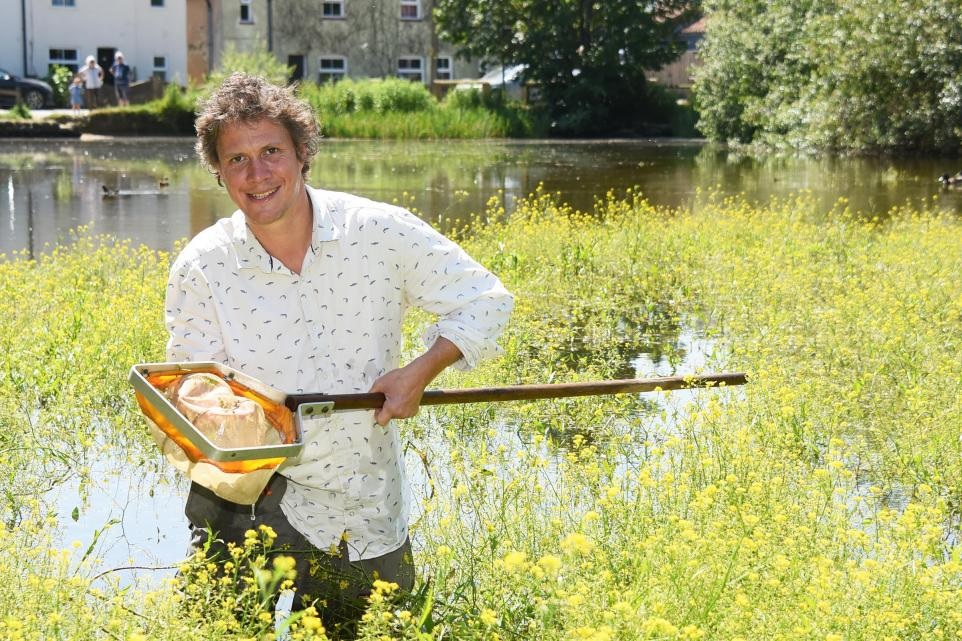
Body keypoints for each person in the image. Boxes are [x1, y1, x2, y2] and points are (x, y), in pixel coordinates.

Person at [165, 72, 512, 631]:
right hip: (242, 503)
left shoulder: (377, 231)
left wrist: (418, 373)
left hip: (362, 501)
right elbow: (190, 379)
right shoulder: (202, 264)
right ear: (219, 172)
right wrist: (213, 408)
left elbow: (486, 301)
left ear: (303, 153)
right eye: (237, 160)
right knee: (222, 630)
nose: (257, 174)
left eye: (271, 151)